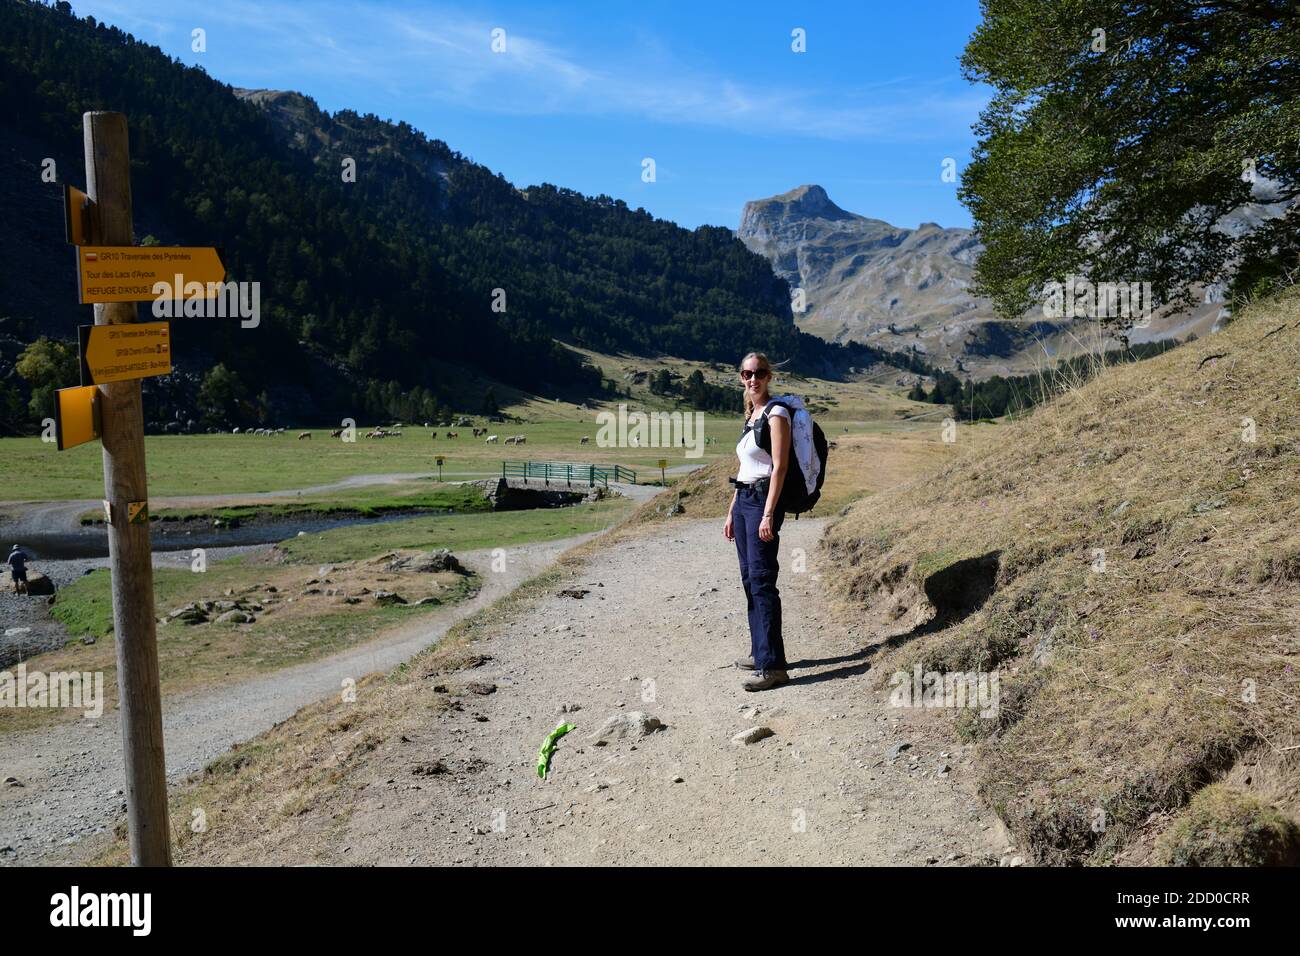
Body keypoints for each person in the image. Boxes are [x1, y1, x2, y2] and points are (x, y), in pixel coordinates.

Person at [723, 352, 791, 691]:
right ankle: (759, 651)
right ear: (741, 377)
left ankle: (773, 666)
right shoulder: (752, 415)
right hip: (744, 501)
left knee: (763, 582)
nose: (753, 378)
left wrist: (767, 514)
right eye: (747, 373)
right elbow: (743, 470)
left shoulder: (776, 414)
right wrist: (731, 511)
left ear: (769, 376)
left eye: (759, 372)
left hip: (763, 502)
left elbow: (779, 467)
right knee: (750, 580)